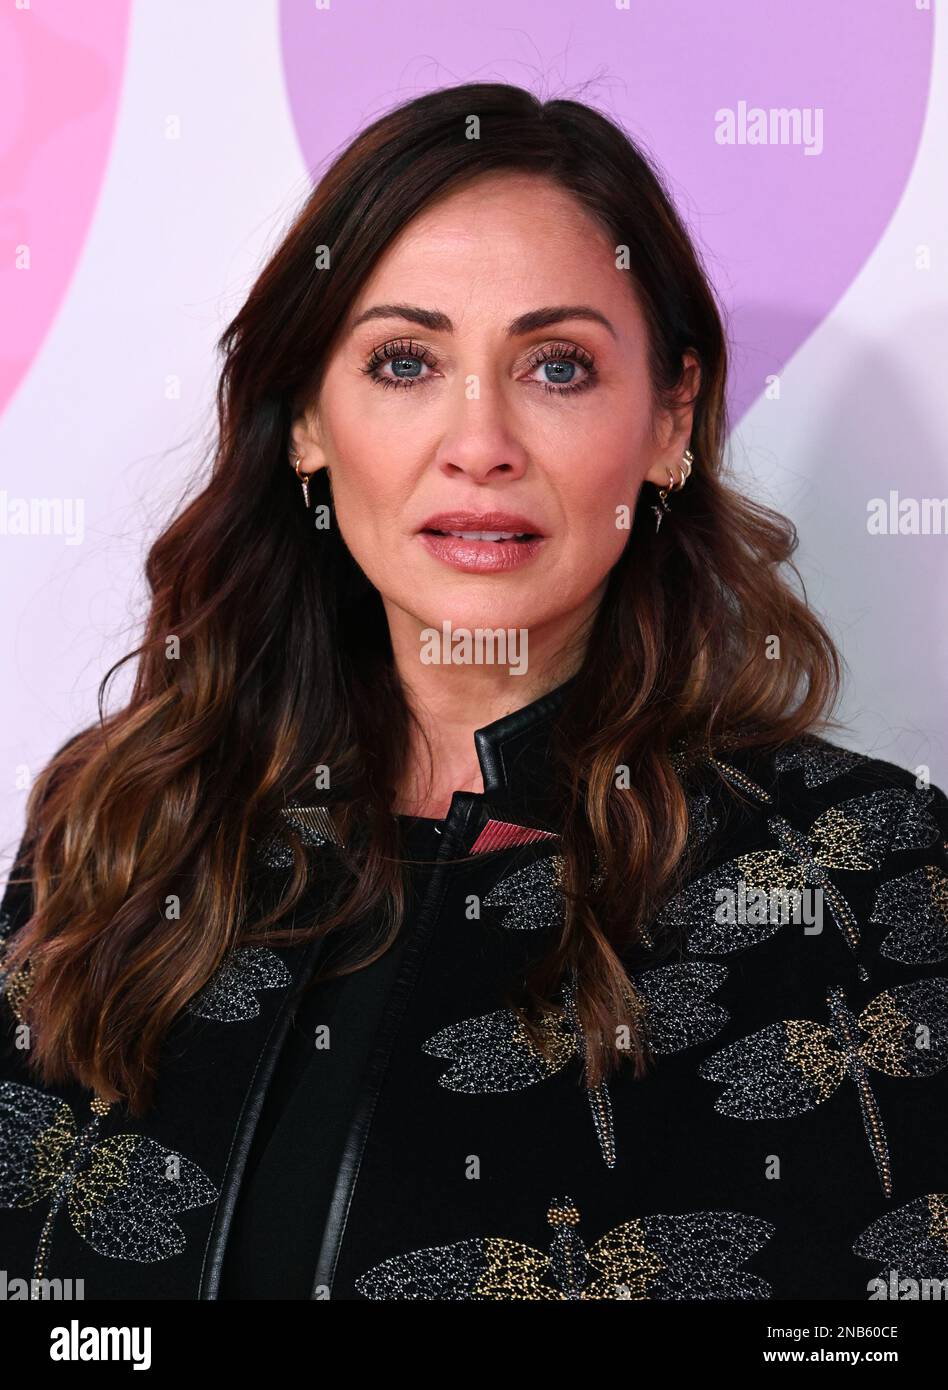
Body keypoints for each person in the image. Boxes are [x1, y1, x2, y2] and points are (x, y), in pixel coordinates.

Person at [1, 82, 945, 1302]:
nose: (480, 440)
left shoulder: (861, 872)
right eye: (405, 361)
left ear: (671, 422)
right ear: (305, 428)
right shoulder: (117, 823)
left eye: (557, 366)